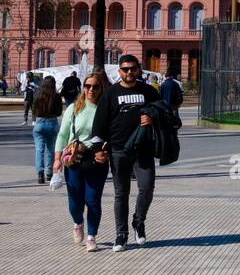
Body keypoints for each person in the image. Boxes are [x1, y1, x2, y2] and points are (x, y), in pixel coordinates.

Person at [92, 54, 162, 252]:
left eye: (132, 68)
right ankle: (121, 234)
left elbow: (164, 114)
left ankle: (138, 222)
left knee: (147, 188)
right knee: (121, 194)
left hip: (144, 149)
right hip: (118, 150)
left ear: (138, 69)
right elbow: (99, 123)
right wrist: (98, 149)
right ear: (119, 71)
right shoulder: (110, 94)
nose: (129, 72)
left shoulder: (149, 91)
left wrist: (153, 119)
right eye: (125, 69)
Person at [54, 69, 108, 252]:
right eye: (87, 86)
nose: (90, 90)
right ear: (83, 88)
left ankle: (92, 236)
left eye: (95, 86)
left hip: (97, 159)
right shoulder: (74, 108)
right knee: (75, 200)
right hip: (74, 158)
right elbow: (62, 134)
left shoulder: (105, 109)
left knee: (93, 200)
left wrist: (106, 151)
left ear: (101, 88)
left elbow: (113, 134)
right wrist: (56, 159)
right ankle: (78, 222)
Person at [30, 76, 62, 184]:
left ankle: (40, 174)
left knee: (39, 149)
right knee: (50, 149)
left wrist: (34, 120)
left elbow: (33, 110)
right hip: (52, 123)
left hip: (39, 123)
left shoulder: (37, 96)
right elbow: (58, 112)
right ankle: (49, 173)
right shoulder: (56, 97)